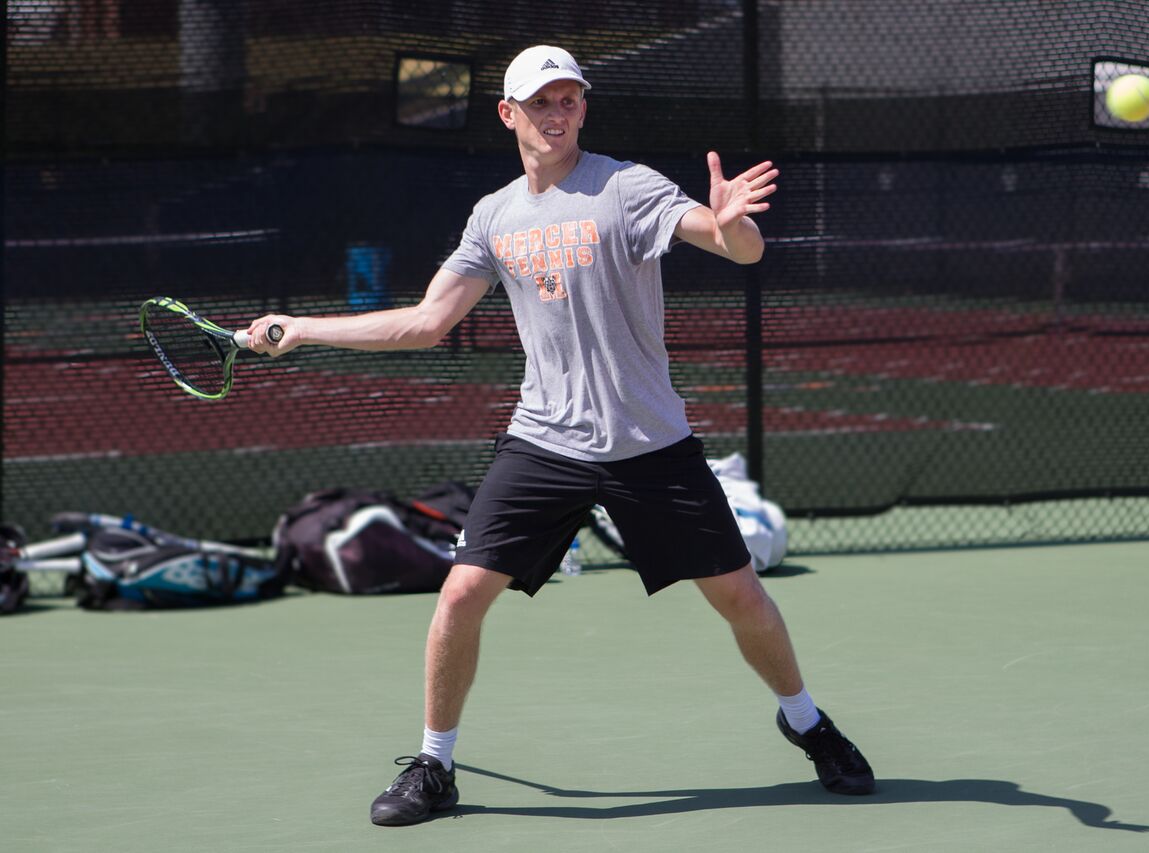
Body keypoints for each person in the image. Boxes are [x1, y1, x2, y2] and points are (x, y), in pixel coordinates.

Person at [246, 44, 874, 827]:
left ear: (583, 107)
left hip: (650, 444)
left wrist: (734, 225)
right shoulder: (494, 216)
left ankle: (807, 722)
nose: (557, 113)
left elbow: (731, 244)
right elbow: (427, 321)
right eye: (540, 101)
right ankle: (436, 764)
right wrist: (305, 327)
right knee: (460, 594)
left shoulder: (626, 187)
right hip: (545, 443)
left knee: (742, 596)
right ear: (508, 113)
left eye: (569, 98)